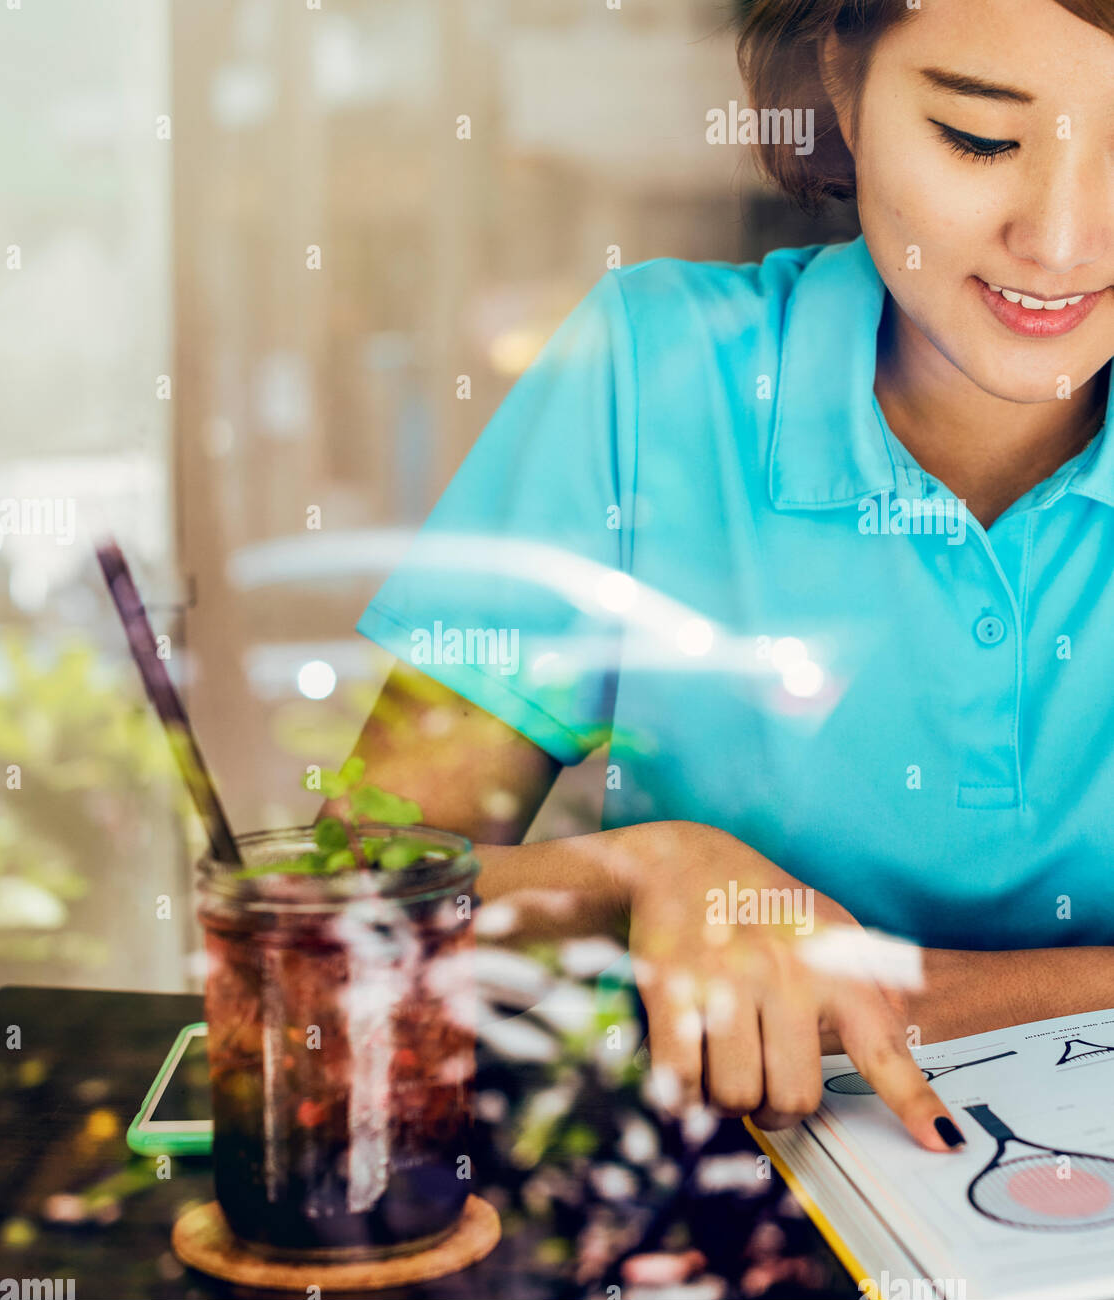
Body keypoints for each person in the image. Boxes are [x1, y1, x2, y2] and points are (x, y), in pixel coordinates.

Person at [335, 0, 1114, 1150]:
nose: (1059, 242)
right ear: (841, 84)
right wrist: (639, 876)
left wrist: (901, 995)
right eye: (979, 140)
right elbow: (350, 900)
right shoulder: (649, 379)